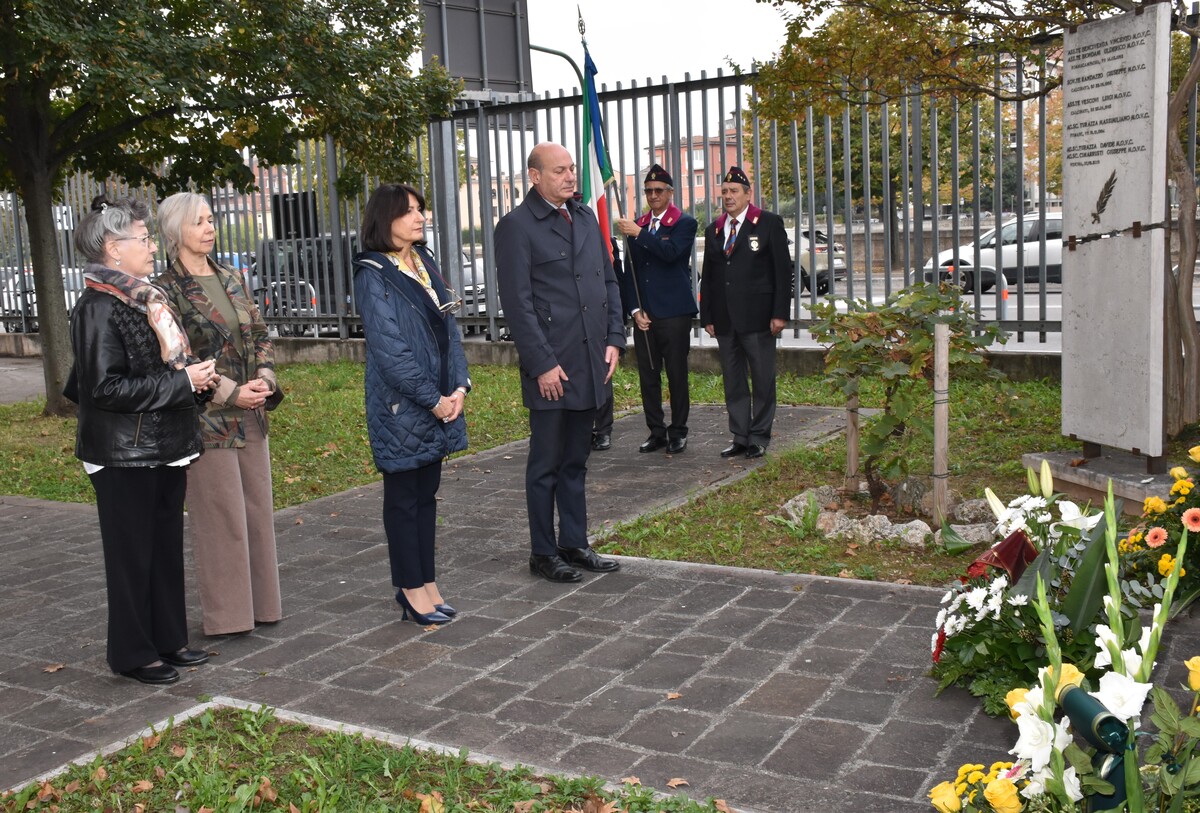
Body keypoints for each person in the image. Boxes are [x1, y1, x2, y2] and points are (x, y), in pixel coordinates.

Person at [67, 195, 215, 685]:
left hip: (165, 445)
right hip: (122, 454)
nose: (152, 247)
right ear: (112, 249)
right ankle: (132, 653)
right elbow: (104, 388)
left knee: (164, 548)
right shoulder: (96, 307)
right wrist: (182, 382)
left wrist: (193, 381)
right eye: (144, 239)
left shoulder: (144, 298)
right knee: (131, 556)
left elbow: (155, 370)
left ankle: (168, 639)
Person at [495, 142, 625, 583]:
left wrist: (613, 340)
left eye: (572, 169)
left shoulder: (586, 217)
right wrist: (541, 363)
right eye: (560, 171)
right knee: (546, 463)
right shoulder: (516, 227)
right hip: (552, 366)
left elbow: (608, 282)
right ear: (535, 177)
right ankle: (543, 552)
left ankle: (575, 542)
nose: (571, 177)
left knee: (577, 460)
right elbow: (518, 304)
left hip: (590, 360)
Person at [155, 192, 283, 637]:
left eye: (211, 220)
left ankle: (264, 607)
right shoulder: (164, 290)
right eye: (199, 222)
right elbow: (176, 356)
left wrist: (264, 378)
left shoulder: (231, 276)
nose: (210, 228)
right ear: (176, 232)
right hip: (207, 418)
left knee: (256, 512)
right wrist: (231, 392)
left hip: (253, 410)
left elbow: (261, 333)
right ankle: (229, 618)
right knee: (221, 517)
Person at [353, 183, 470, 625]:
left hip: (439, 398)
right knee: (403, 498)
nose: (421, 217)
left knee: (426, 496)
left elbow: (450, 330)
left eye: (421, 209)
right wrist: (433, 400)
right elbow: (390, 351)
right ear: (386, 220)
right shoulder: (373, 274)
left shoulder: (424, 261)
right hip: (402, 406)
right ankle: (409, 589)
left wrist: (458, 388)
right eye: (410, 211)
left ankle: (428, 583)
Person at [699, 166, 792, 460]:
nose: (728, 197)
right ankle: (740, 435)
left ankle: (759, 436)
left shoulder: (767, 223)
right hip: (725, 320)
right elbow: (710, 276)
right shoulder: (714, 229)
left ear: (748, 194)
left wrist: (779, 313)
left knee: (763, 378)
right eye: (724, 192)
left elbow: (782, 271)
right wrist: (708, 316)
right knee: (734, 380)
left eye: (734, 191)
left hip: (758, 317)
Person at [614, 164, 698, 455]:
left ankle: (679, 431)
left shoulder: (683, 223)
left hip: (674, 312)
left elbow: (671, 255)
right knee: (648, 376)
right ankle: (656, 431)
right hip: (646, 315)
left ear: (670, 193)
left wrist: (639, 233)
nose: (653, 195)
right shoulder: (639, 224)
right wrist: (635, 309)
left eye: (658, 190)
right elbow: (631, 270)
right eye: (648, 191)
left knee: (676, 374)